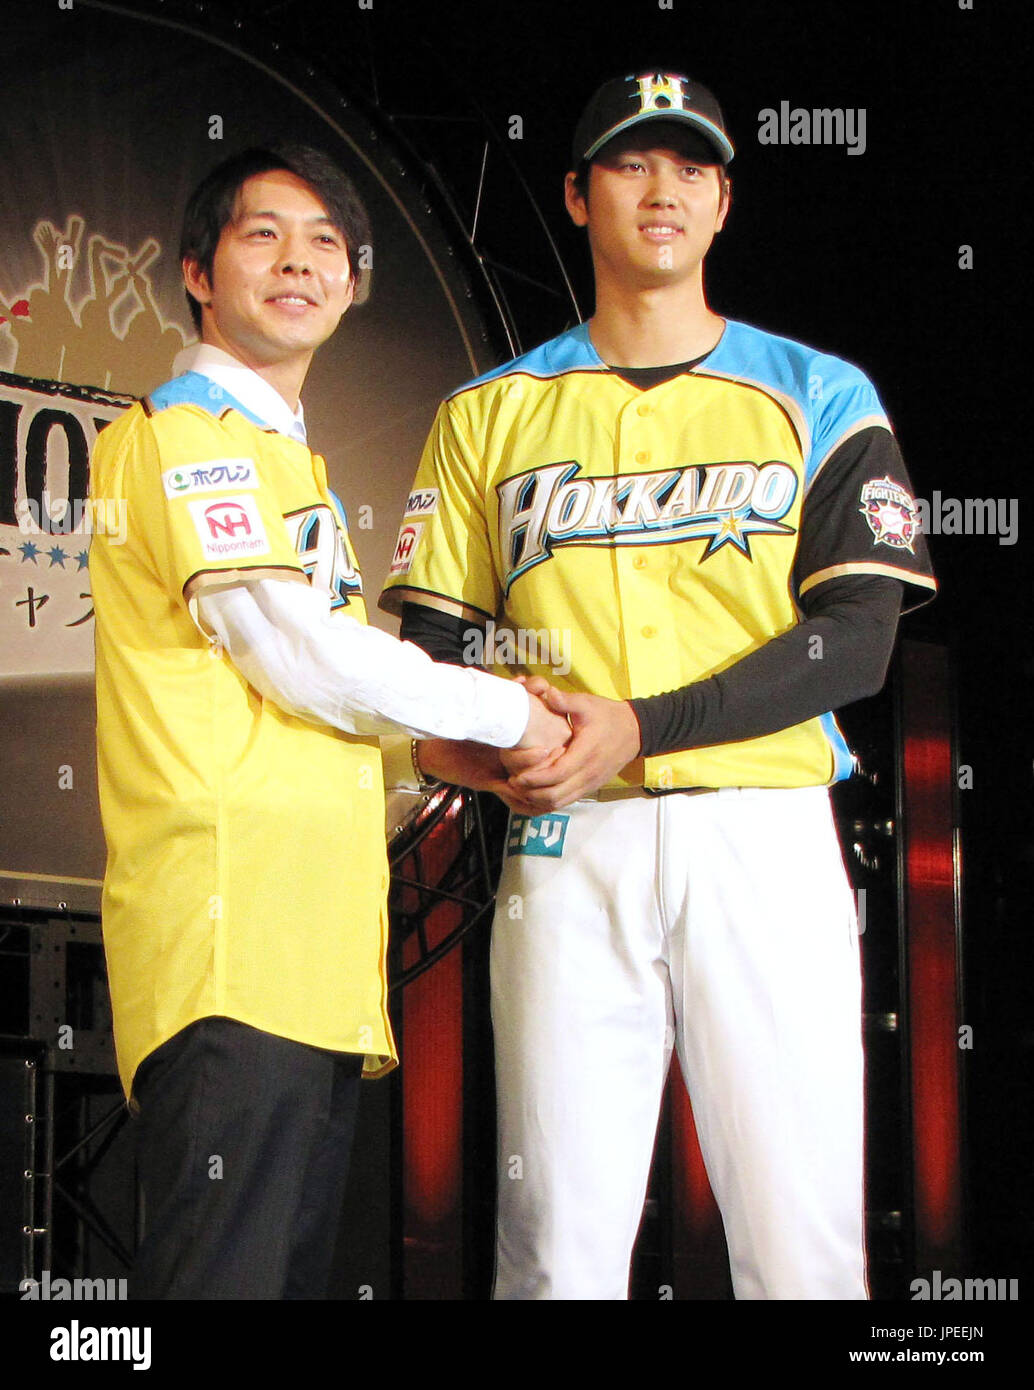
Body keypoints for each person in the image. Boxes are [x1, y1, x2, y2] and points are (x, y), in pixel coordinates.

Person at [381, 72, 936, 1300]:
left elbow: (856, 640)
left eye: (689, 167)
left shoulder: (819, 391)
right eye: (631, 164)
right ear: (577, 194)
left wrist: (639, 724)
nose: (662, 189)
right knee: (554, 1248)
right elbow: (432, 652)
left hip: (764, 833)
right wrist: (499, 740)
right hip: (563, 837)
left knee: (801, 1247)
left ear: (723, 200)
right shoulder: (490, 412)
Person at [89, 143, 568, 1300]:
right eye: (264, 235)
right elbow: (298, 656)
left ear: (354, 285)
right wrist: (508, 709)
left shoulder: (279, 459)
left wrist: (450, 749)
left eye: (328, 246)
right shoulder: (185, 433)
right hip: (230, 942)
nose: (298, 261)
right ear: (198, 271)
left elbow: (313, 697)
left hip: (307, 961)